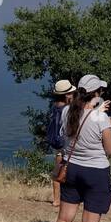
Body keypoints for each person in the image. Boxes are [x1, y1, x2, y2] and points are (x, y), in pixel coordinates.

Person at [52, 74, 111, 222]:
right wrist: (110, 126)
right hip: (95, 173)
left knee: (64, 219)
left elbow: (74, 130)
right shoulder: (101, 119)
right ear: (96, 93)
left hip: (71, 170)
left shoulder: (67, 112)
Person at [45, 79, 75, 207]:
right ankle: (58, 200)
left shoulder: (54, 106)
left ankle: (58, 198)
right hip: (64, 143)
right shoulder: (67, 109)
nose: (73, 95)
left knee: (59, 170)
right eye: (71, 93)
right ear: (66, 95)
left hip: (57, 142)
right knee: (58, 172)